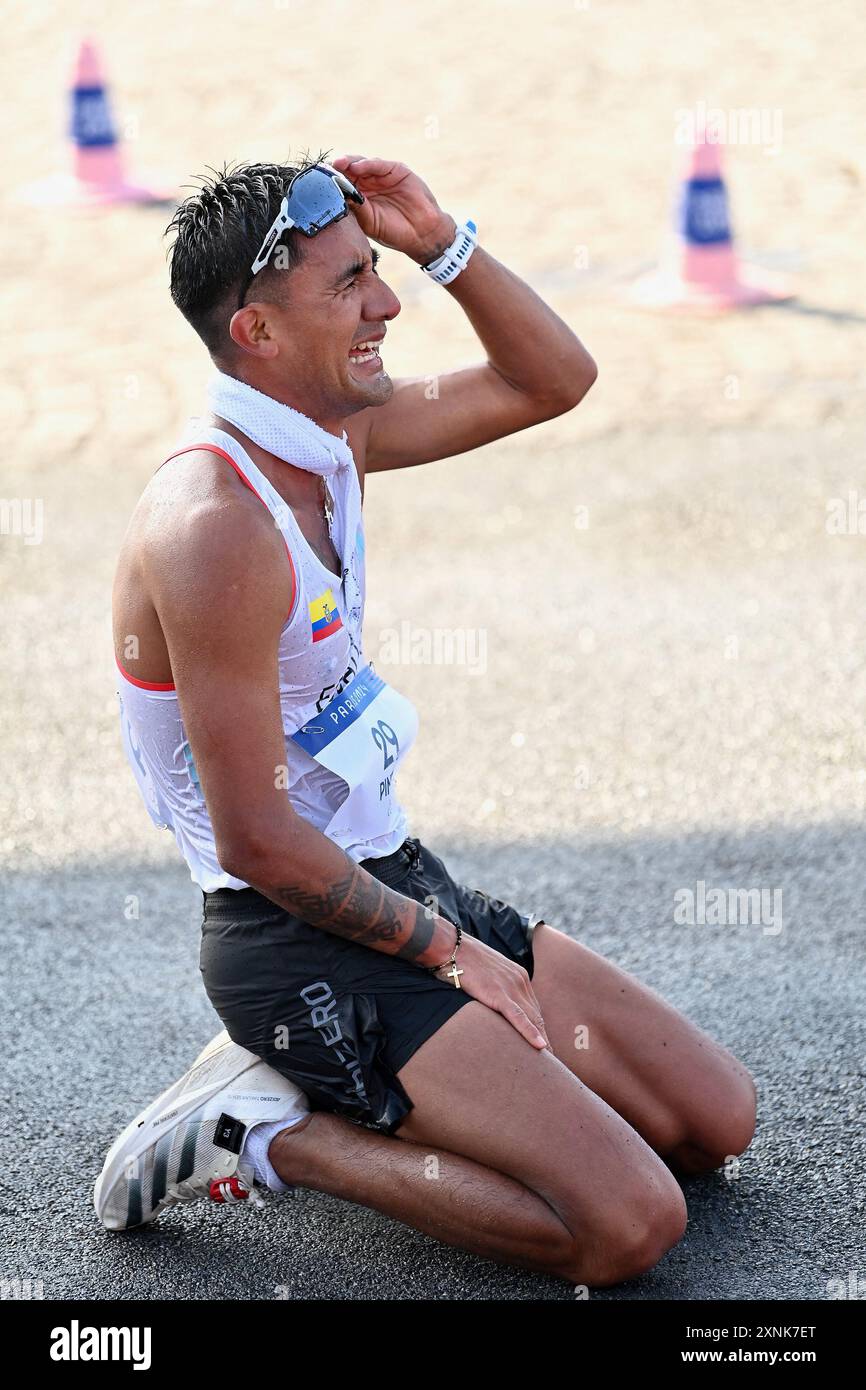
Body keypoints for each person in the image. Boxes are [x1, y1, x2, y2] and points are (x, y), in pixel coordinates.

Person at [97, 151, 756, 1288]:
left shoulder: (335, 436)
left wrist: (440, 236)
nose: (388, 301)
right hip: (289, 931)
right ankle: (262, 1135)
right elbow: (255, 840)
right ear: (255, 334)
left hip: (393, 876)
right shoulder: (212, 528)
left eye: (382, 272)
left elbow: (553, 379)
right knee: (628, 1228)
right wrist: (451, 956)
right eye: (351, 282)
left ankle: (348, 1079)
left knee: (712, 1124)